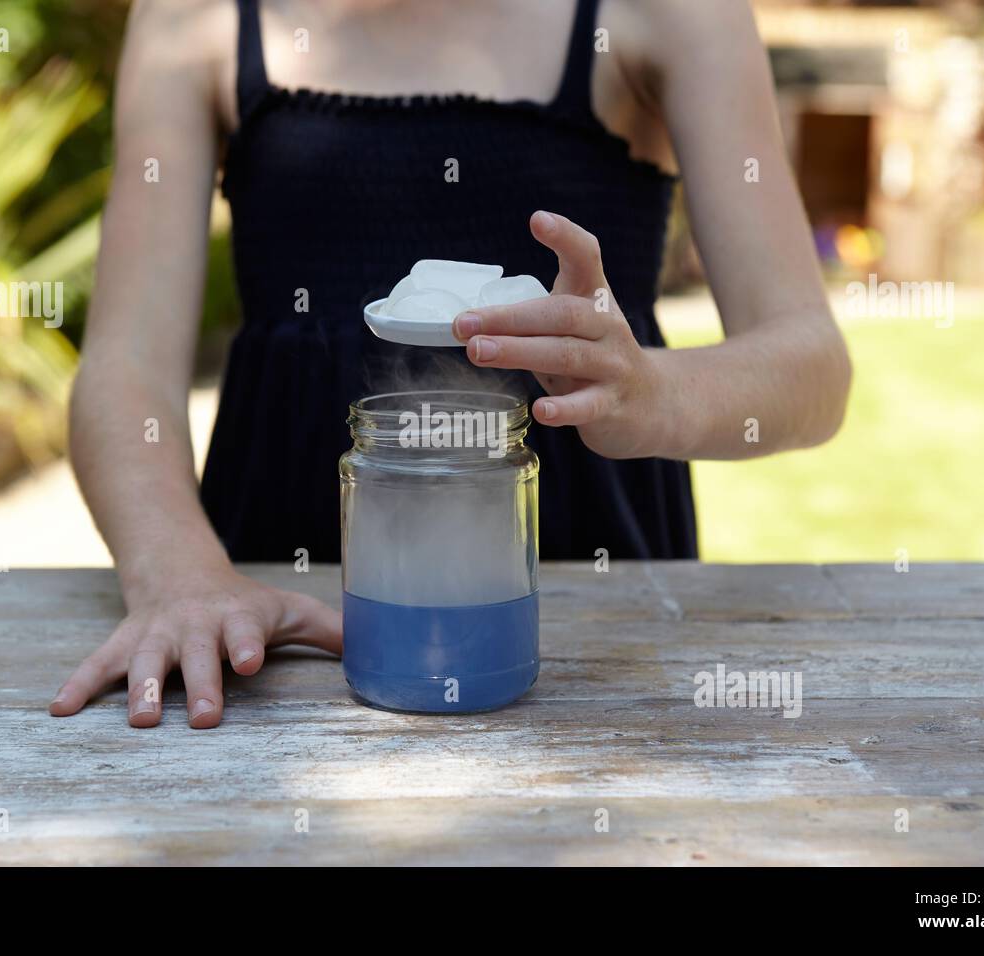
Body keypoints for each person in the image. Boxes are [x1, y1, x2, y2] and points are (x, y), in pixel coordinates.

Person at [50, 0, 852, 728]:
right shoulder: (195, 18)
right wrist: (180, 577)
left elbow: (811, 364)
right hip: (270, 642)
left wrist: (657, 394)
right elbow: (126, 364)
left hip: (598, 651)